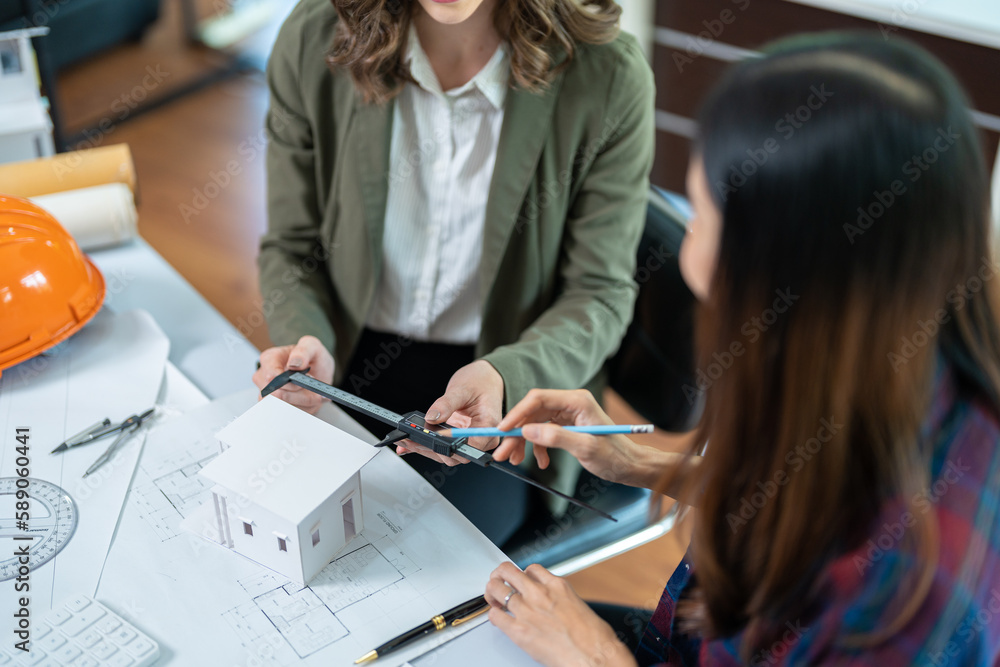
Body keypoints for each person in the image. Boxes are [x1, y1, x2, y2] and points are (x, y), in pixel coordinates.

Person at [483, 32, 1000, 665]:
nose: (685, 238)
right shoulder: (891, 366)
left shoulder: (899, 598)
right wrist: (633, 464)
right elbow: (799, 490)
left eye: (699, 214)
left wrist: (592, 654)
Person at [251, 0, 654, 545]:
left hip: (499, 387)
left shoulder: (608, 75)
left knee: (414, 567)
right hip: (344, 359)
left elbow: (599, 295)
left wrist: (505, 375)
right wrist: (306, 338)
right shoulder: (313, 36)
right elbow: (291, 245)